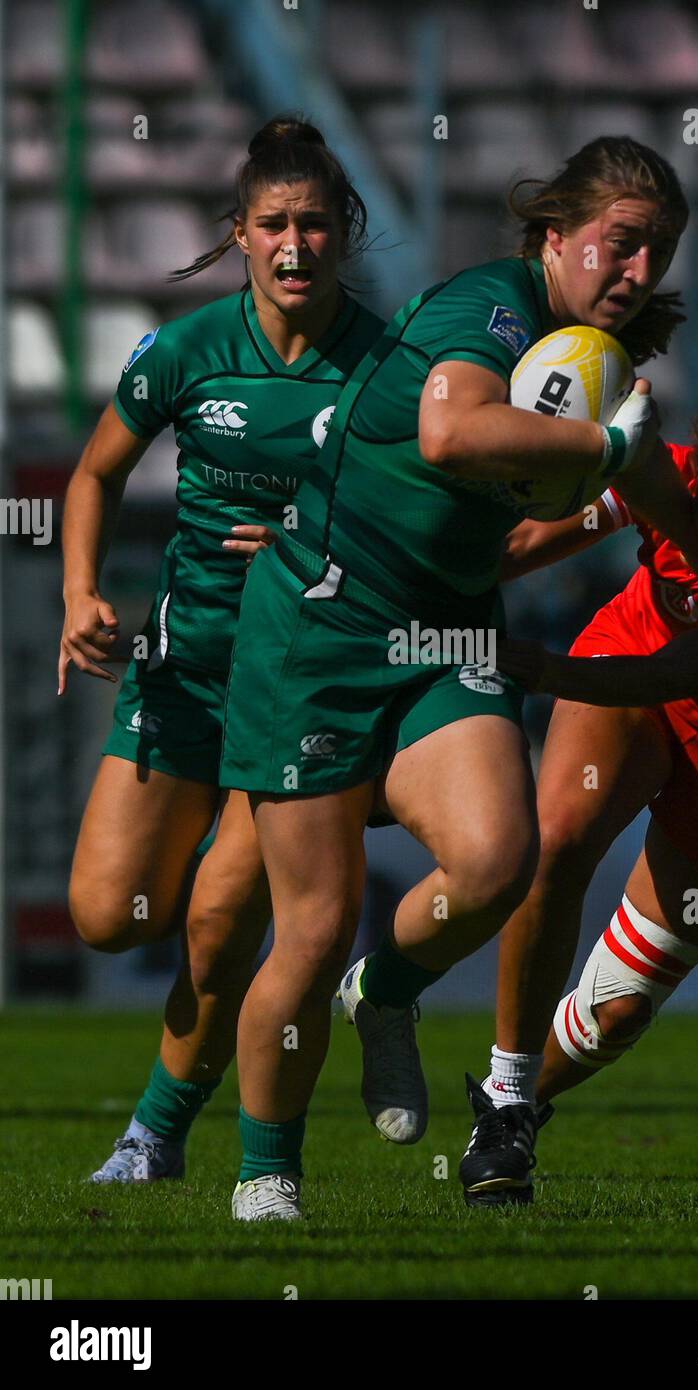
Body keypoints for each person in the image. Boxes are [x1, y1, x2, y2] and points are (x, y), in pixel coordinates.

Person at [218, 135, 698, 1221]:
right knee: (309, 925)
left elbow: (610, 503)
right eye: (620, 243)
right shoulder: (489, 308)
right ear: (553, 234)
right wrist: (601, 452)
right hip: (318, 626)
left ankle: (385, 993)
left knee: (498, 864)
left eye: (658, 252)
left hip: (442, 628)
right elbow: (449, 436)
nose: (636, 272)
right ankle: (267, 1173)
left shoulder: (593, 365)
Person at [59, 115, 385, 1183]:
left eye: (316, 224)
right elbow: (96, 473)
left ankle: (157, 1136)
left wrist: (317, 540)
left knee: (215, 918)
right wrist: (79, 594)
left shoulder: (388, 369)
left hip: (298, 688)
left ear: (348, 232)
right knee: (111, 916)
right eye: (273, 224)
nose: (295, 246)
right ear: (238, 234)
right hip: (182, 670)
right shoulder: (187, 350)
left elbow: (442, 522)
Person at [459, 392, 698, 1206]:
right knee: (559, 840)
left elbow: (685, 673)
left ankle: (522, 1107)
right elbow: (528, 540)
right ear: (694, 478)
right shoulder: (659, 480)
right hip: (635, 657)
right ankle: (503, 1103)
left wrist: (542, 668)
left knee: (618, 1011)